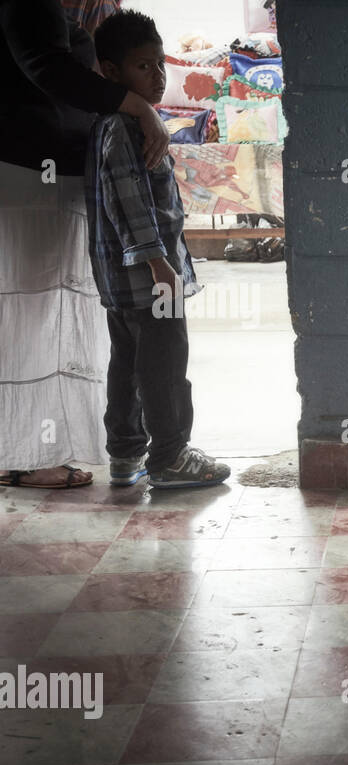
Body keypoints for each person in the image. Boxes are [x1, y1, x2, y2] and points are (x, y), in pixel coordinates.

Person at [0, 0, 170, 490]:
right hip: (29, 172)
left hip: (42, 175)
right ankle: (22, 457)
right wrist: (136, 106)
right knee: (29, 318)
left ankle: (33, 451)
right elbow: (46, 68)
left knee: (43, 317)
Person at [86, 9, 229, 489]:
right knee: (165, 364)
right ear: (110, 72)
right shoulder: (126, 129)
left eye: (159, 64)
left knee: (126, 363)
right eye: (142, 67)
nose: (157, 76)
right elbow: (128, 200)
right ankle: (169, 456)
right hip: (150, 277)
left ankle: (126, 456)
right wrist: (157, 262)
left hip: (124, 281)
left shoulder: (114, 126)